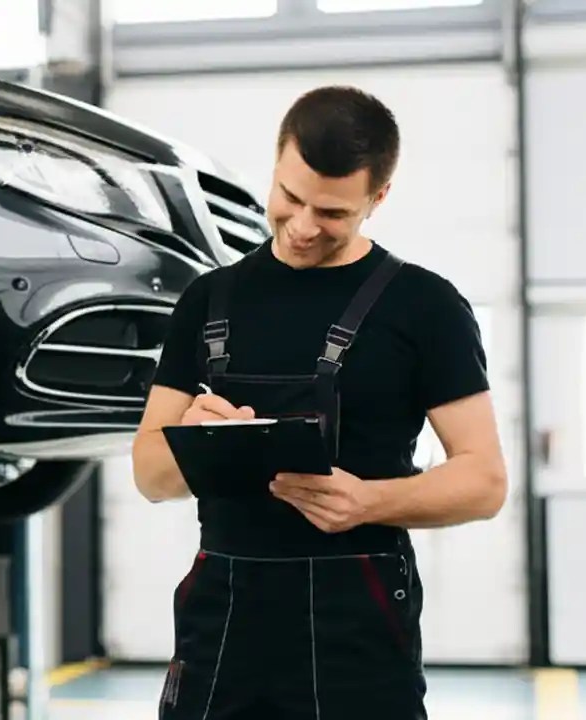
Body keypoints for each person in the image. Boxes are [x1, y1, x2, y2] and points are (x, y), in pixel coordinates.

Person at [131, 85, 508, 719]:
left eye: (332, 213)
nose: (303, 227)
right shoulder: (208, 301)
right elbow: (149, 475)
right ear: (276, 165)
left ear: (377, 199)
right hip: (223, 612)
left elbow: (485, 480)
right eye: (290, 197)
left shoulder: (426, 307)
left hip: (356, 619)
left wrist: (372, 502)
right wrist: (191, 437)